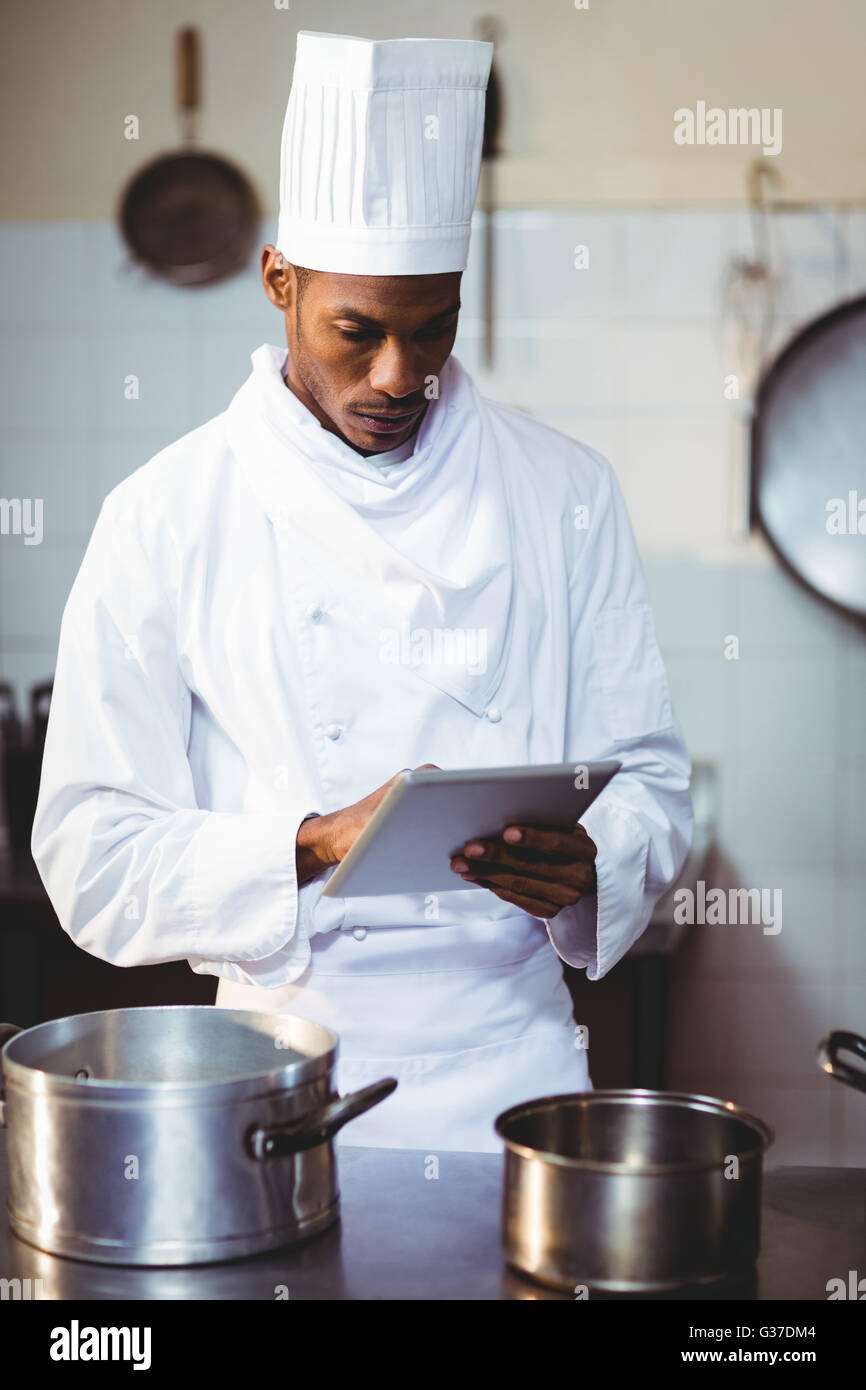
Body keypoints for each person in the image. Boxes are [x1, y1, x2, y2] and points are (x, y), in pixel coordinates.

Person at [31, 31, 693, 1151]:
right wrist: (308, 841)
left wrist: (593, 864)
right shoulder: (171, 509)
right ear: (278, 282)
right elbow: (89, 850)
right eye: (358, 331)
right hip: (279, 1082)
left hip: (512, 1082)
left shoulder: (562, 488)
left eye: (432, 326)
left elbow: (650, 785)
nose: (400, 375)